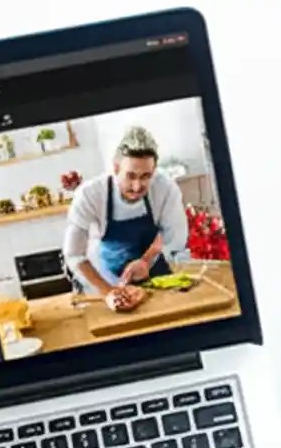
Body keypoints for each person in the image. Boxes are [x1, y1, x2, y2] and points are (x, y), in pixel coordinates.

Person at [62, 125, 188, 311]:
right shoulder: (90, 195)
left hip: (158, 278)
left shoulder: (165, 189)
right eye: (130, 176)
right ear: (115, 167)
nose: (137, 186)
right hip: (107, 281)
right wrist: (109, 292)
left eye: (146, 176)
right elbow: (74, 254)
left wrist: (146, 261)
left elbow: (173, 238)